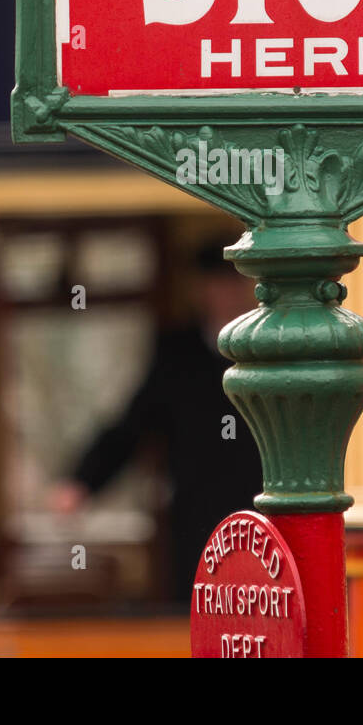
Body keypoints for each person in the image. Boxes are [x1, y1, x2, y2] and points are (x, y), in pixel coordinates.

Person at [48, 242, 262, 601]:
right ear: (201, 291)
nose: (226, 294)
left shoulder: (268, 350)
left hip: (261, 514)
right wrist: (82, 481)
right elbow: (134, 424)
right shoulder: (177, 355)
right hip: (198, 522)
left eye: (234, 284)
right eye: (217, 285)